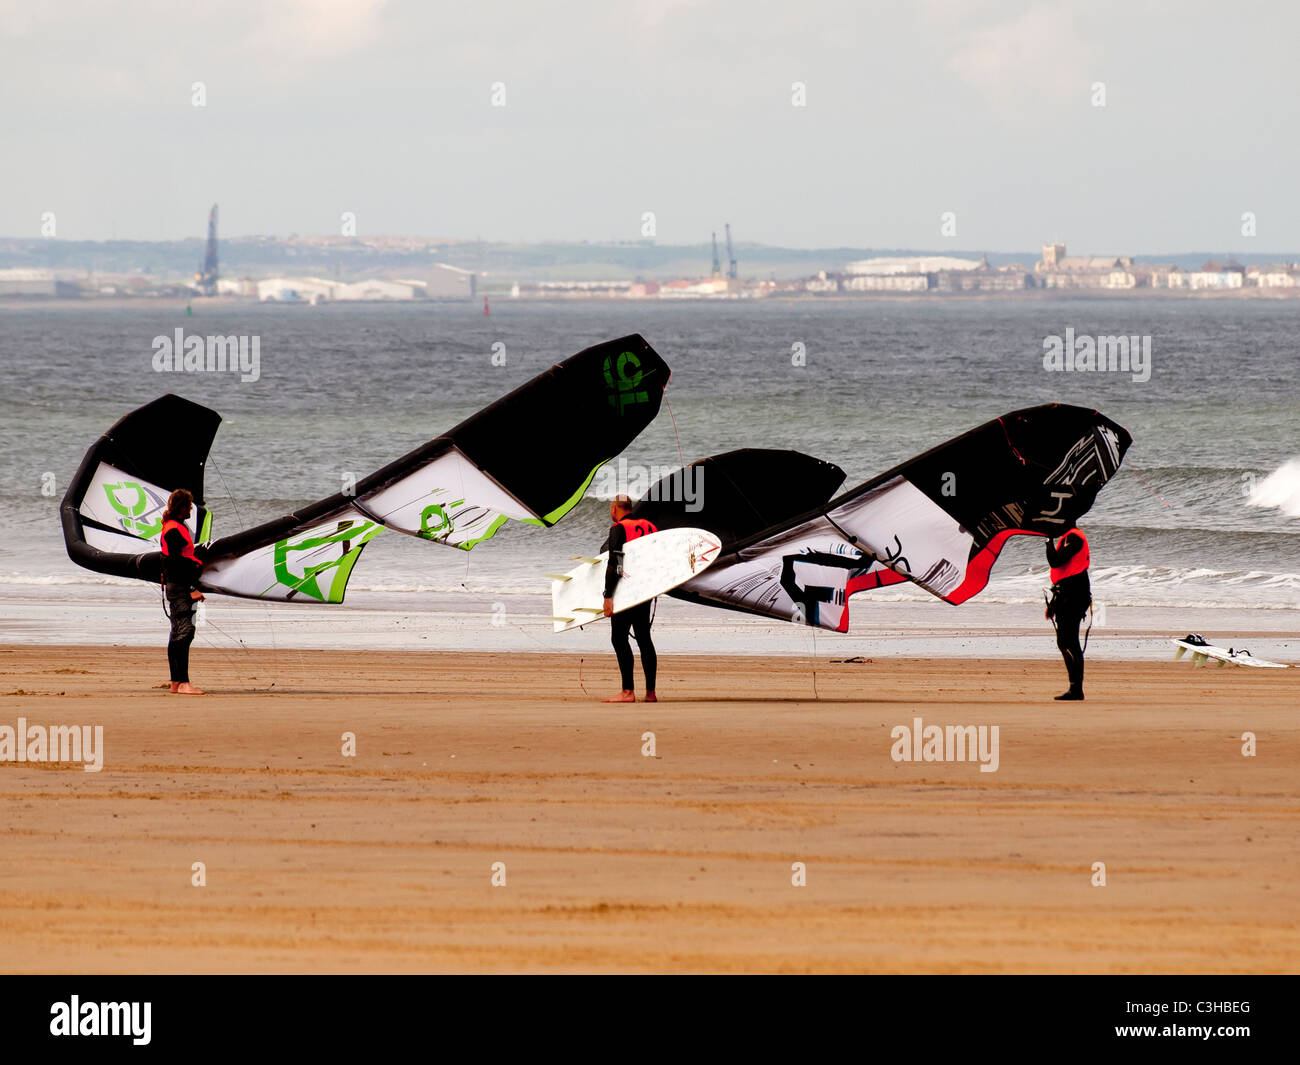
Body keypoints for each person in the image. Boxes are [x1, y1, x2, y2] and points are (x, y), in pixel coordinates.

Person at [600, 495, 657, 703]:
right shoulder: (651, 526)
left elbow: (616, 562)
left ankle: (627, 692)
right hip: (646, 590)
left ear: (615, 509)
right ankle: (650, 693)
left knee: (619, 638)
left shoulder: (619, 528)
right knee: (644, 638)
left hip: (626, 590)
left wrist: (608, 595)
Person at [159, 489, 206, 695]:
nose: (191, 511)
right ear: (182, 508)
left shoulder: (175, 527)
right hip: (180, 586)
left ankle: (176, 683)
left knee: (178, 632)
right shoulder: (173, 530)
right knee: (185, 632)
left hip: (177, 585)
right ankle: (184, 683)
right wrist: (192, 589)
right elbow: (175, 562)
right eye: (189, 507)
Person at [1044, 525, 1091, 701]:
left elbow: (1055, 561)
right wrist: (1054, 604)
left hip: (1075, 597)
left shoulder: (1075, 538)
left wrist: (1048, 539)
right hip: (1066, 595)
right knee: (1065, 641)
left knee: (1068, 641)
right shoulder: (1069, 537)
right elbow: (1064, 573)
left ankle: (1076, 689)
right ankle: (1075, 688)